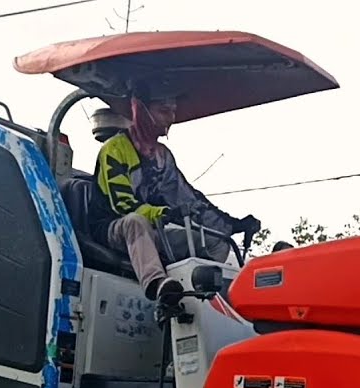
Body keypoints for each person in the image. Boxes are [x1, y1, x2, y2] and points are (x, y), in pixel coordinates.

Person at [92, 83, 260, 306]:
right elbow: (122, 205)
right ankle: (158, 285)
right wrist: (165, 213)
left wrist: (232, 225)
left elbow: (188, 199)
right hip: (113, 228)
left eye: (172, 111)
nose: (170, 118)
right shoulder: (114, 149)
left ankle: (202, 297)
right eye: (163, 111)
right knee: (136, 221)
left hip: (155, 227)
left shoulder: (163, 156)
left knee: (216, 242)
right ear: (140, 109)